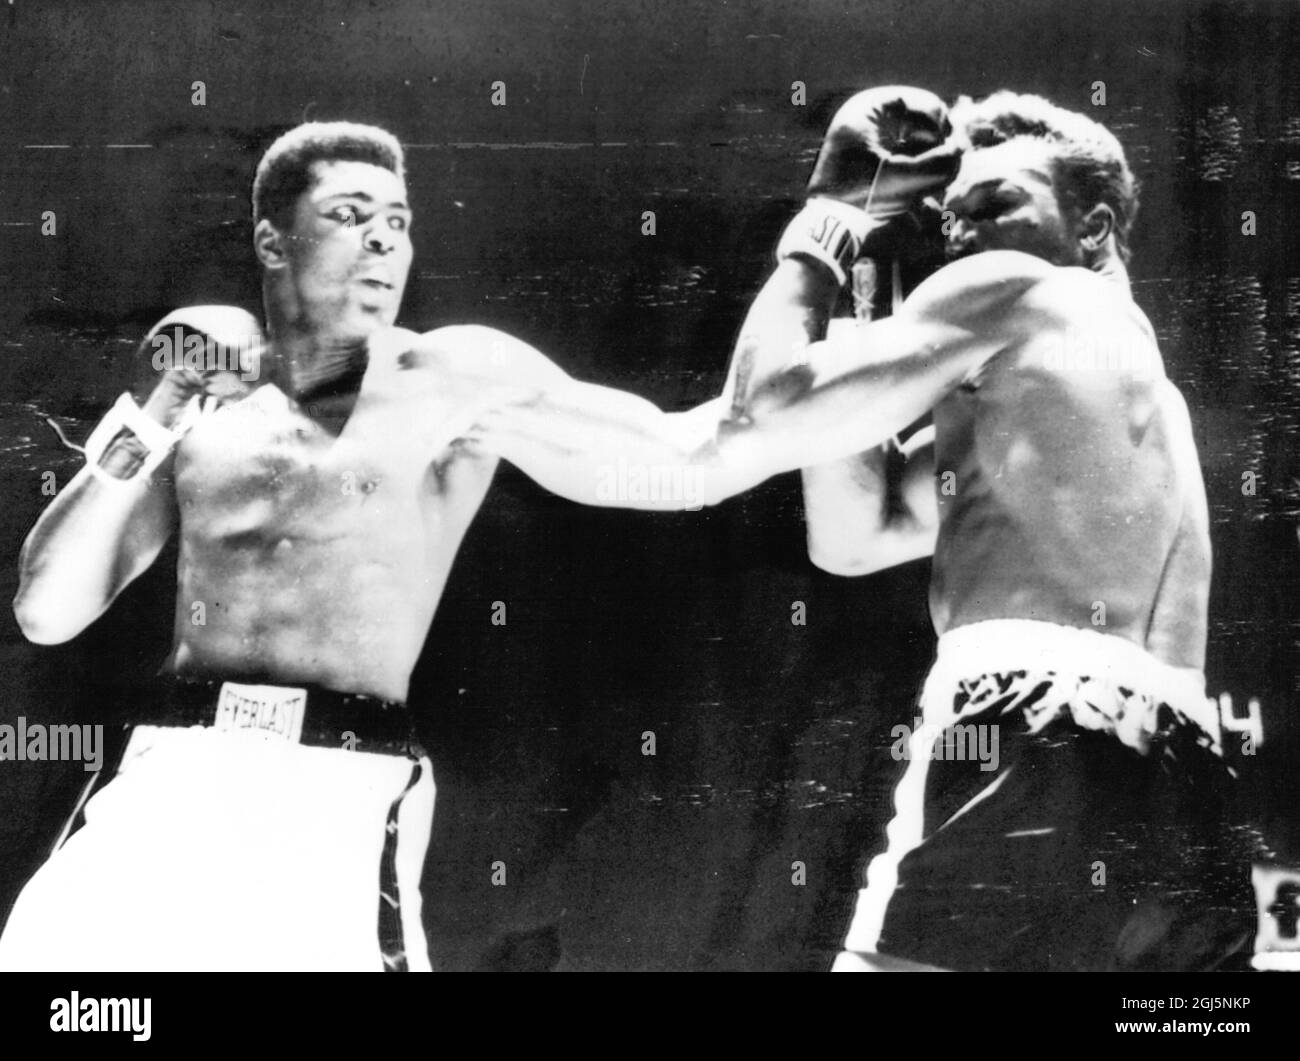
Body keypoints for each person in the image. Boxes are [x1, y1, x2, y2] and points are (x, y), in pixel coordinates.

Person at [463, 88, 1259, 971]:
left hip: (1020, 725)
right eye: (949, 220)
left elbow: (755, 415)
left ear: (1097, 227)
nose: (961, 237)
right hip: (1188, 776)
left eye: (997, 205)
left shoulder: (1019, 288)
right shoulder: (1116, 386)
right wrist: (865, 312)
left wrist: (830, 220)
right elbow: (857, 533)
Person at [3, 120, 652, 972]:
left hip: (339, 795)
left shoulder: (450, 383)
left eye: (400, 219)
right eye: (351, 212)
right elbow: (47, 610)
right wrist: (158, 406)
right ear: (273, 239)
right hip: (173, 778)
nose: (384, 236)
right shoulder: (205, 374)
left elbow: (687, 456)